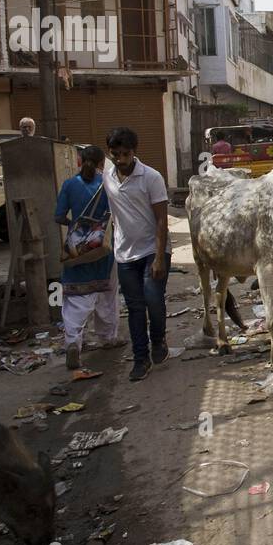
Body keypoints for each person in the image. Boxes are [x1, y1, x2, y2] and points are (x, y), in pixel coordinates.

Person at [102, 127, 171, 382]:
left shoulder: (151, 177)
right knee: (134, 308)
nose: (121, 160)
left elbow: (162, 220)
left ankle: (159, 340)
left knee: (153, 301)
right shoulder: (107, 176)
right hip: (124, 255)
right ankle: (140, 359)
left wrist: (160, 257)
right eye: (116, 154)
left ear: (135, 152)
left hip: (153, 250)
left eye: (126, 154)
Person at [54, 147, 121, 374]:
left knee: (75, 299)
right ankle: (107, 337)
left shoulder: (69, 185)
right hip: (103, 248)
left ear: (80, 161)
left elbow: (58, 216)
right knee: (106, 295)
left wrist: (76, 223)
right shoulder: (109, 183)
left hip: (77, 249)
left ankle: (73, 342)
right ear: (103, 162)